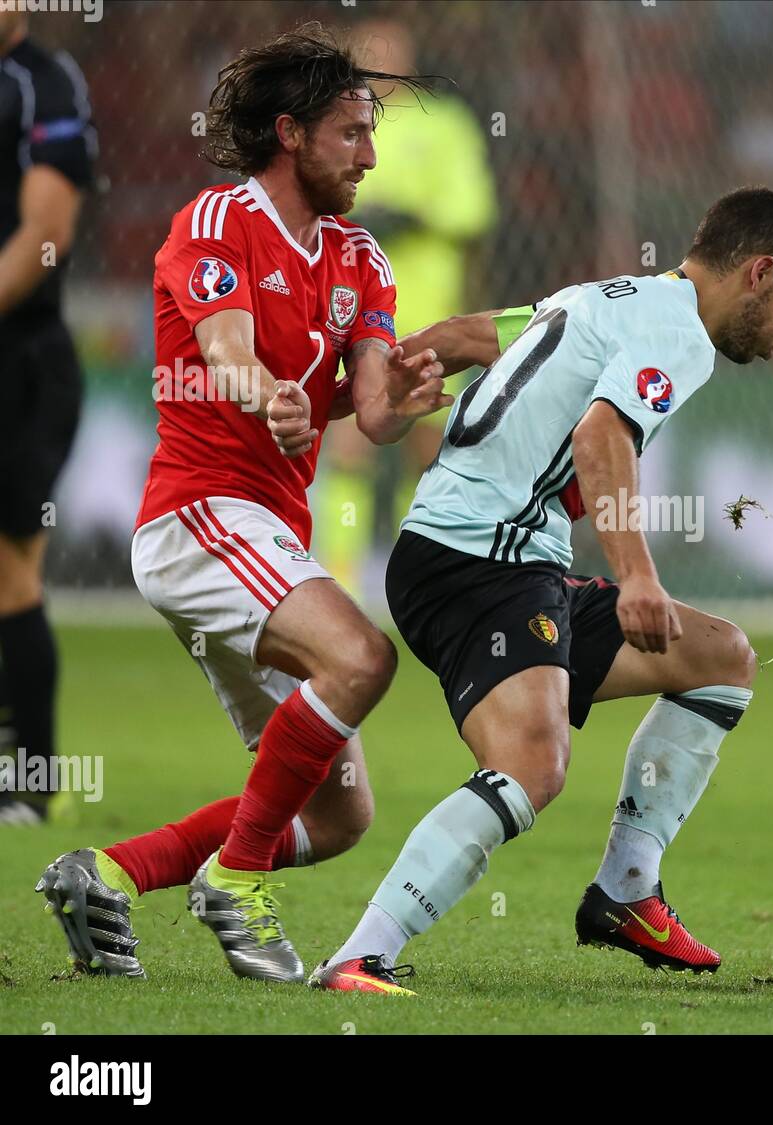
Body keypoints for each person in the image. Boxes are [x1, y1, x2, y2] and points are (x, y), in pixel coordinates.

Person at [311, 186, 773, 994]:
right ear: (758, 273)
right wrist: (638, 577)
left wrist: (360, 395)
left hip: (505, 558)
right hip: (476, 558)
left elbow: (469, 335)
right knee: (534, 763)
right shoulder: (679, 335)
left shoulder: (603, 297)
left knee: (720, 658)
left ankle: (627, 891)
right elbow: (599, 436)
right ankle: (358, 954)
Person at [36, 24, 451, 984]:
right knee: (362, 656)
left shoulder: (360, 259)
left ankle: (103, 873)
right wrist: (270, 393)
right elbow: (224, 351)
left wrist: (407, 397)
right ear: (290, 133)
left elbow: (375, 405)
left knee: (338, 811)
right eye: (352, 132)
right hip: (199, 517)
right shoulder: (218, 222)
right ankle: (236, 879)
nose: (371, 154)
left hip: (267, 534)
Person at [0, 10, 95, 825]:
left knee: (9, 568)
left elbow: (47, 232)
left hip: (19, 366)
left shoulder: (43, 82)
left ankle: (27, 781)